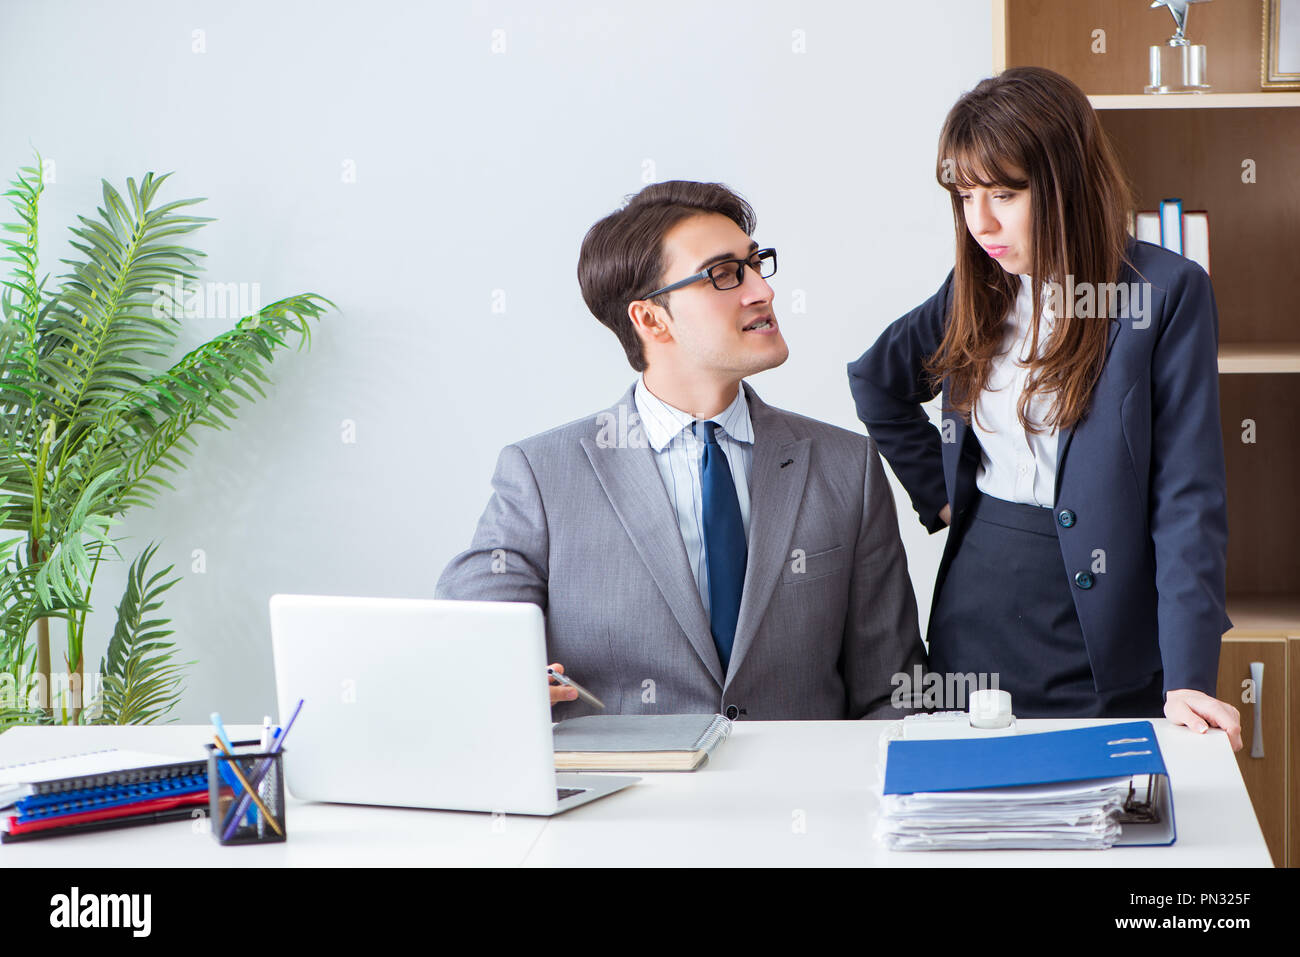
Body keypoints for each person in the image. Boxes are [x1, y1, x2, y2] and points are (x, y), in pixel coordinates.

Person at [848, 67, 1243, 748]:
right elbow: (876, 382)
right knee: (974, 796)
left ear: (1066, 182)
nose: (981, 221)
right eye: (965, 195)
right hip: (977, 609)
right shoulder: (974, 287)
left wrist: (1188, 676)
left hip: (1105, 624)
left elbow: (1188, 499)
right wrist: (942, 497)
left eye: (1004, 193)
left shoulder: (1164, 292)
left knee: (1105, 799)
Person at [437, 180, 925, 719]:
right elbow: (467, 648)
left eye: (755, 263)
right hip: (629, 775)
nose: (761, 290)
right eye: (723, 274)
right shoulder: (541, 476)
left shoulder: (847, 466)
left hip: (805, 774)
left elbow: (893, 693)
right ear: (650, 318)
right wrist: (496, 676)